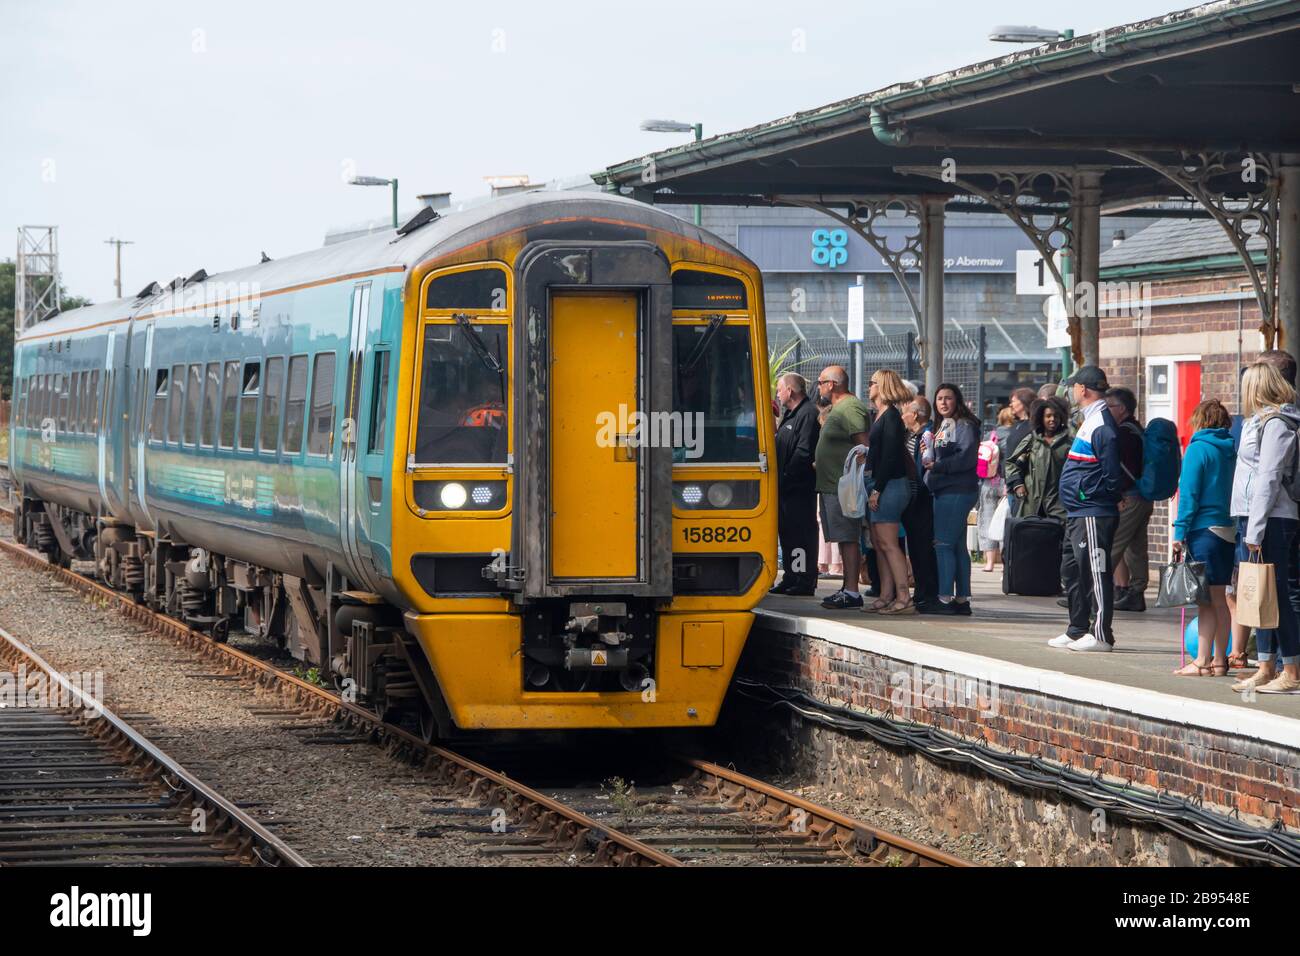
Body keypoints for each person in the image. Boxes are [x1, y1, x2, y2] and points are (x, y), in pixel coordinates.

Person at [1229, 362, 1300, 694]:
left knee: (1277, 596)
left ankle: (1291, 670)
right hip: (1254, 516)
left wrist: (1254, 530)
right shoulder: (1259, 423)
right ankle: (1267, 666)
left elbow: (1269, 478)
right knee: (1260, 597)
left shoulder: (1276, 425)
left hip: (1271, 519)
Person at [1050, 365, 1125, 652]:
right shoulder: (1090, 419)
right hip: (1079, 511)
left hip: (1093, 510)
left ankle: (1101, 633)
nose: (1070, 392)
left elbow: (1111, 471)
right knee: (1072, 570)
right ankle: (1077, 628)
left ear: (1082, 389)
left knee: (1095, 570)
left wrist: (1093, 493)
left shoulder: (1101, 424)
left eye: (1073, 387)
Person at [1171, 400, 1237, 677]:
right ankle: (1220, 661)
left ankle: (1201, 661)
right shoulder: (1232, 450)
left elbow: (1189, 495)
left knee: (1205, 602)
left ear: (1199, 421)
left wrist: (1178, 532)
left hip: (1203, 531)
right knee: (1220, 600)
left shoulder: (1198, 449)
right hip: (1228, 531)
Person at [812, 366, 870, 609]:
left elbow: (863, 447)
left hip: (842, 486)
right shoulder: (838, 409)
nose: (818, 386)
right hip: (831, 484)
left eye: (820, 382)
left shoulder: (851, 408)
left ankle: (852, 591)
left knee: (848, 537)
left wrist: (854, 475)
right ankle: (847, 587)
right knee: (841, 538)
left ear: (832, 384)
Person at [925, 382, 981, 615]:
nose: (943, 403)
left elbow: (966, 457)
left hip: (955, 489)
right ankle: (961, 598)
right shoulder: (945, 425)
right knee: (957, 546)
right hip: (947, 488)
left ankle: (944, 598)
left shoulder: (964, 425)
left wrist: (938, 466)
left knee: (943, 544)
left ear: (957, 400)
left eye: (948, 398)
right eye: (939, 399)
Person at [863, 369, 915, 614]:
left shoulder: (891, 416)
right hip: (880, 483)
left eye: (872, 382)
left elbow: (891, 456)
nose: (868, 386)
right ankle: (886, 594)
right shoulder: (880, 414)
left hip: (889, 484)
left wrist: (878, 490)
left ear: (881, 386)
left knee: (888, 542)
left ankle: (903, 596)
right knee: (879, 542)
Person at [1105, 387, 1154, 612]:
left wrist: (1117, 494)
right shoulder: (1137, 430)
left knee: (1112, 544)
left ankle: (1091, 591)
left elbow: (1121, 468)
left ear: (1122, 408)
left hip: (1130, 498)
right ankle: (1136, 593)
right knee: (1136, 548)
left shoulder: (1123, 434)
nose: (1106, 410)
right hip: (1143, 498)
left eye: (1110, 406)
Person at [771, 372, 820, 595]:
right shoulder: (790, 414)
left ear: (790, 391)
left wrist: (787, 477)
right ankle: (791, 576)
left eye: (779, 390)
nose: (778, 394)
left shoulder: (808, 414)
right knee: (788, 534)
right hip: (784, 489)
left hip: (798, 488)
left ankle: (803, 579)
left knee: (800, 534)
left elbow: (803, 452)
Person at [901, 395, 940, 611]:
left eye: (905, 412)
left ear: (914, 414)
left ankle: (928, 591)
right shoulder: (911, 435)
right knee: (915, 547)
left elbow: (923, 466)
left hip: (922, 497)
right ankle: (921, 590)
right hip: (913, 497)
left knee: (923, 546)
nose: (902, 416)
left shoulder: (926, 436)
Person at [1004, 396, 1071, 520]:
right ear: (1041, 418)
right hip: (1031, 504)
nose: (1052, 419)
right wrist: (1018, 484)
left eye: (1056, 416)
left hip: (1059, 506)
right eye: (1048, 416)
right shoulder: (1032, 440)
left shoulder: (1069, 443)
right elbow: (1011, 463)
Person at [978, 407, 1013, 571]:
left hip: (989, 481)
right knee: (1005, 521)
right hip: (1007, 481)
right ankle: (1006, 563)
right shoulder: (1016, 434)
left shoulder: (991, 435)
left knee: (987, 519)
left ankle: (989, 562)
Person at [1002, 388, 1037, 511]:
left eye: (1014, 401)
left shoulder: (1033, 426)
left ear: (1024, 402)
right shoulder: (1016, 426)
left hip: (1023, 484)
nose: (1010, 404)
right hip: (1011, 483)